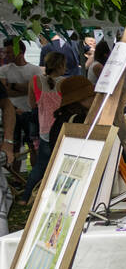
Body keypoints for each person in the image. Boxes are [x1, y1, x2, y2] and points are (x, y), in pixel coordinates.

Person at [20, 52, 66, 204]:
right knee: (62, 165)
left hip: (44, 129)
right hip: (61, 130)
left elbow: (32, 104)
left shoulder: (35, 80)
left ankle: (26, 197)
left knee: (40, 166)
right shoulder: (64, 83)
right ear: (61, 65)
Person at [0, 38, 42, 169]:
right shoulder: (3, 70)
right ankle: (16, 177)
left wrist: (12, 86)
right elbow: (4, 92)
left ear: (20, 52)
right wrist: (25, 88)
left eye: (10, 52)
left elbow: (36, 90)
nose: (7, 56)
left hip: (30, 112)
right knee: (14, 145)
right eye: (6, 53)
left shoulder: (35, 70)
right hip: (14, 111)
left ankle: (33, 176)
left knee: (33, 145)